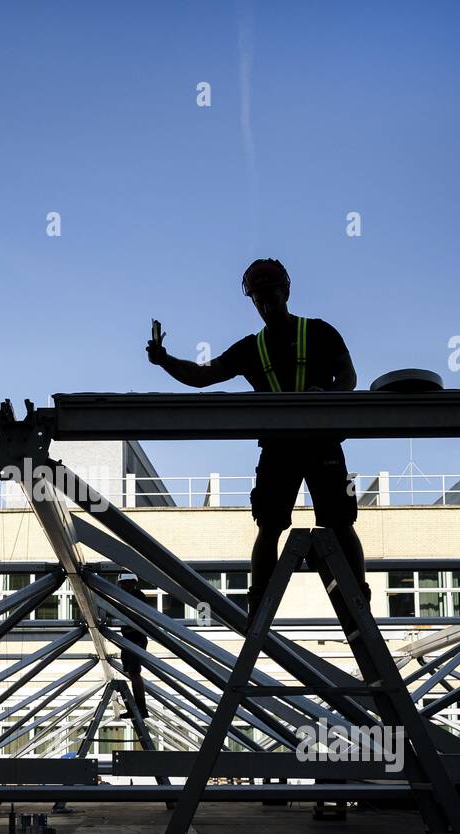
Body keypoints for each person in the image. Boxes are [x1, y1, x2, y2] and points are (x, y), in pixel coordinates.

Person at [146, 258, 368, 618]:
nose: (266, 303)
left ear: (287, 291)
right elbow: (203, 375)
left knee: (339, 524)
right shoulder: (252, 348)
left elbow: (348, 376)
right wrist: (165, 360)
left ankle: (359, 602)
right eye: (259, 297)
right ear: (252, 299)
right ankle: (261, 605)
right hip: (286, 447)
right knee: (271, 527)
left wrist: (328, 395)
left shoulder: (320, 332)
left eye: (271, 294)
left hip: (318, 442)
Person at [115, 572, 150, 720]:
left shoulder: (137, 597)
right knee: (131, 672)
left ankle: (141, 708)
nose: (122, 586)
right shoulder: (129, 597)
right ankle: (137, 708)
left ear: (132, 583)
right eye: (121, 584)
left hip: (136, 638)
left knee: (134, 673)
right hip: (129, 638)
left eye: (124, 583)